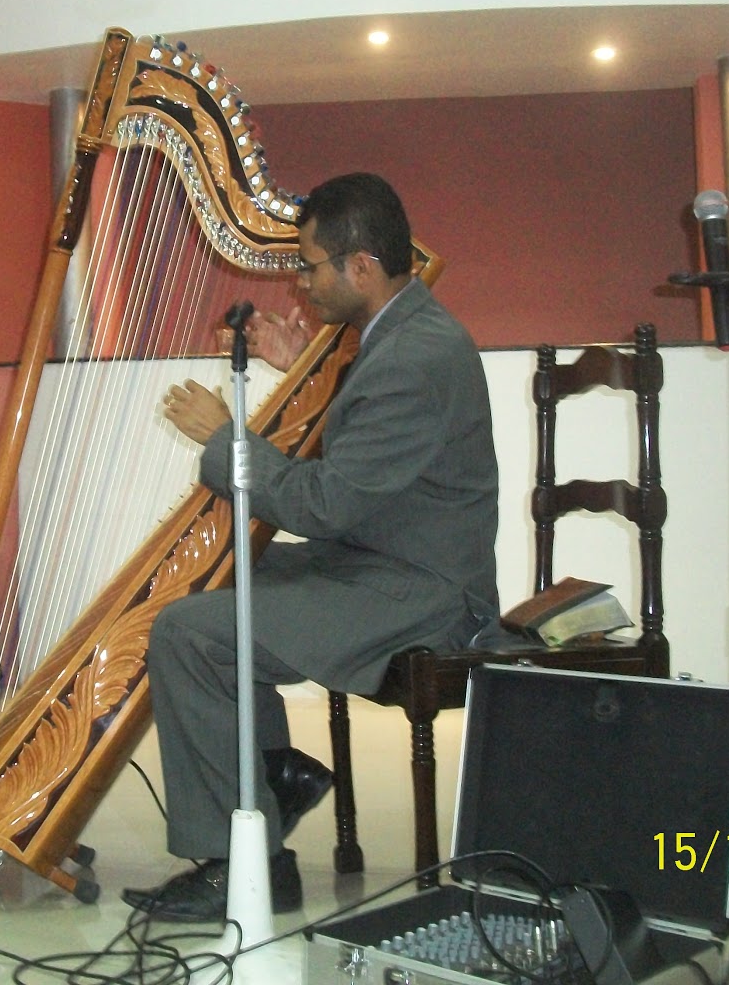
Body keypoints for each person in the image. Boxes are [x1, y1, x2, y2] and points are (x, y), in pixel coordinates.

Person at [121, 172, 499, 922]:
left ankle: (239, 857)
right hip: (376, 560)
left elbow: (325, 503)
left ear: (361, 267)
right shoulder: (397, 334)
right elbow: (362, 463)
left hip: (419, 591)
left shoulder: (415, 356)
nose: (300, 282)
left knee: (190, 633)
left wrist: (223, 440)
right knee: (222, 577)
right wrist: (302, 366)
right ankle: (270, 789)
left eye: (309, 265)